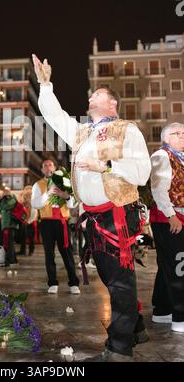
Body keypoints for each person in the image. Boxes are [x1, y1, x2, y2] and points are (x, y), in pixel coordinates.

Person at [32, 54, 151, 362]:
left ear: (112, 104)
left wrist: (106, 165)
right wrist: (45, 84)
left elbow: (142, 172)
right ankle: (135, 326)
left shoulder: (127, 130)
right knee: (112, 278)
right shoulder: (83, 133)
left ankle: (120, 348)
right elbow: (56, 118)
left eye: (97, 95)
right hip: (94, 218)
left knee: (120, 279)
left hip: (118, 214)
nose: (90, 97)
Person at [150, 123, 184, 332]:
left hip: (178, 216)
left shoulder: (180, 157)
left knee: (167, 265)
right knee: (180, 266)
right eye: (178, 133)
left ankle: (162, 310)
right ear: (166, 138)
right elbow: (158, 189)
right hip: (168, 218)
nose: (183, 136)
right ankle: (180, 317)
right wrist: (171, 215)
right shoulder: (162, 156)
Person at [31, 158, 81, 294]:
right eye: (45, 166)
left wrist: (66, 196)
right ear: (42, 170)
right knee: (49, 254)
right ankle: (52, 282)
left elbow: (72, 204)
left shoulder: (64, 182)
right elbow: (35, 204)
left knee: (67, 254)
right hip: (47, 222)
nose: (48, 168)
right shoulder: (38, 185)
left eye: (50, 165)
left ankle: (74, 283)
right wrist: (47, 194)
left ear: (54, 168)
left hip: (62, 222)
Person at [0, 188, 20, 267]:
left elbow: (5, 207)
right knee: (8, 243)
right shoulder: (5, 200)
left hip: (10, 225)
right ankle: (13, 260)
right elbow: (0, 210)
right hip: (6, 224)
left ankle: (11, 260)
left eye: (4, 193)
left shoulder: (12, 199)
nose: (3, 194)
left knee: (10, 243)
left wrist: (2, 199)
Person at [17, 185, 38, 256]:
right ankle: (23, 250)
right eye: (25, 196)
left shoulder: (33, 203)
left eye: (27, 196)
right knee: (23, 237)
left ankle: (31, 251)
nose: (26, 197)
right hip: (24, 222)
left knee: (30, 238)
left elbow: (34, 214)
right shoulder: (24, 203)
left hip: (30, 223)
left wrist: (28, 221)